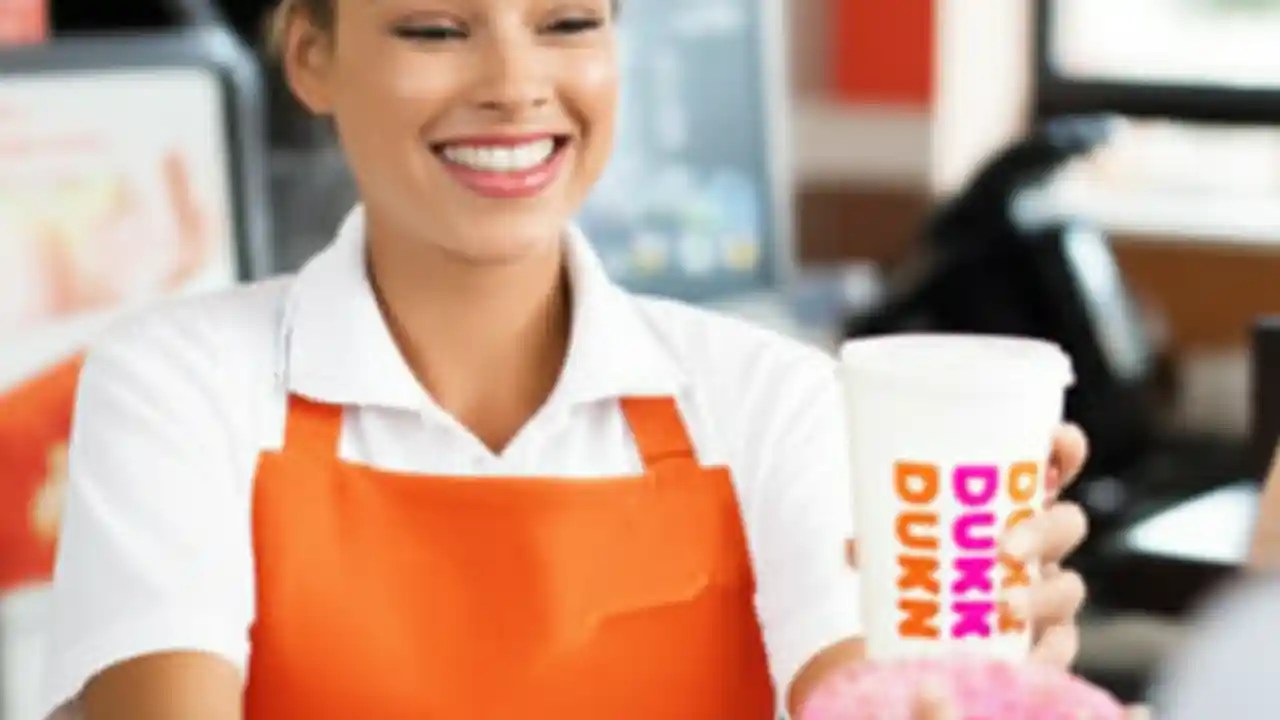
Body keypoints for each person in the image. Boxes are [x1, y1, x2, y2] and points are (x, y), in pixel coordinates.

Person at [40, 1, 1093, 718]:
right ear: (310, 56)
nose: (514, 84)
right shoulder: (177, 388)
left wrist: (967, 681)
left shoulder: (771, 400)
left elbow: (872, 699)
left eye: (567, 23)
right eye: (436, 28)